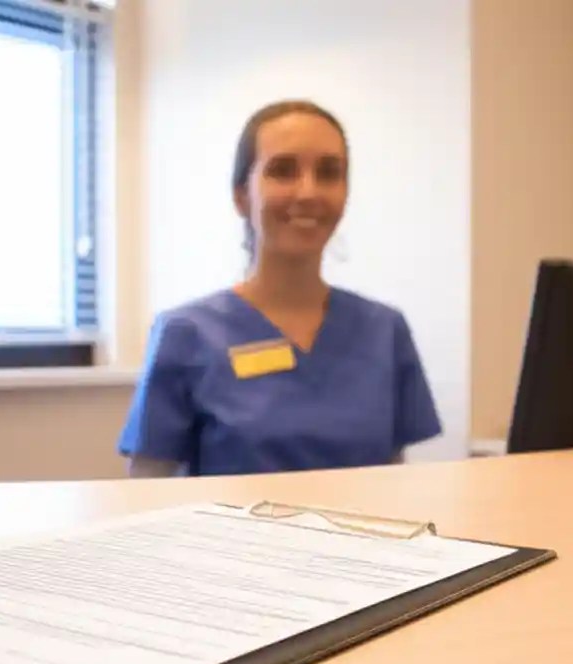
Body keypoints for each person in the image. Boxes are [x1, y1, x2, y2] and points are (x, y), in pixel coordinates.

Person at [117, 99, 442, 477]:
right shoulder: (186, 334)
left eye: (329, 173)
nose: (308, 192)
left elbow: (394, 480)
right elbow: (147, 490)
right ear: (242, 195)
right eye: (283, 171)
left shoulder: (384, 331)